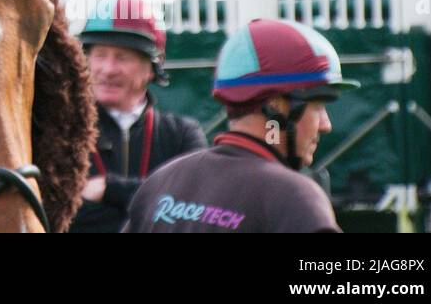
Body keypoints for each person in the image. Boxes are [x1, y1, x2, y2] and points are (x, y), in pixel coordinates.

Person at [124, 18, 359, 233]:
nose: (326, 125)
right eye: (317, 105)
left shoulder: (161, 182)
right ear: (276, 108)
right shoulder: (295, 198)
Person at [69, 0, 206, 232]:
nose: (108, 69)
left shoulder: (182, 134)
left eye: (122, 57)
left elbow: (198, 207)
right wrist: (153, 206)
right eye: (100, 55)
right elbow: (60, 213)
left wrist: (109, 189)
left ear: (153, 67)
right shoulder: (62, 133)